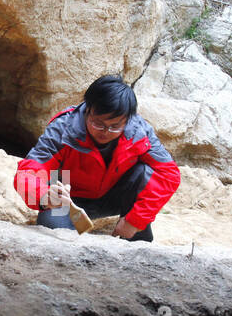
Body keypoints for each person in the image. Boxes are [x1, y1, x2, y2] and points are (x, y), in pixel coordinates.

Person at [13, 74, 180, 241]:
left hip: (115, 194)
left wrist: (135, 220)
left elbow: (169, 174)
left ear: (127, 120)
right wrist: (44, 195)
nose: (105, 132)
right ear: (87, 110)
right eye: (98, 123)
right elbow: (27, 172)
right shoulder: (64, 128)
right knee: (53, 230)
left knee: (143, 172)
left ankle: (135, 238)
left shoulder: (139, 133)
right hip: (67, 197)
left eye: (115, 126)